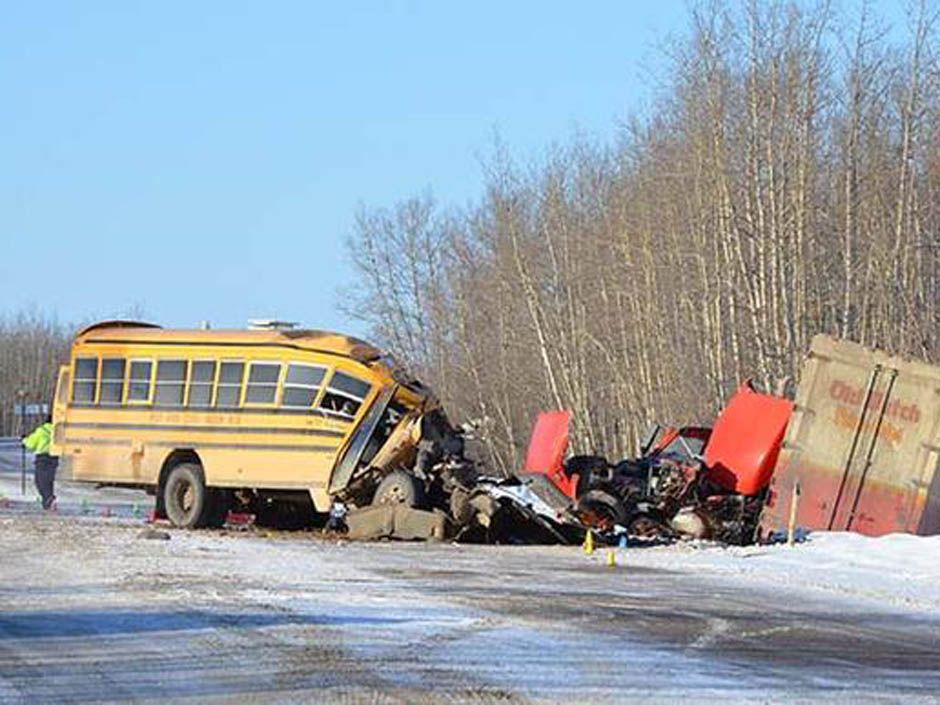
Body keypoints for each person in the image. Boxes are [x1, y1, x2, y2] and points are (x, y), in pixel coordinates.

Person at [22, 414, 58, 510]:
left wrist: (24, 440)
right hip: (54, 457)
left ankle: (48, 500)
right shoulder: (58, 431)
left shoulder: (41, 431)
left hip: (42, 457)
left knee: (40, 481)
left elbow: (31, 444)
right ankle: (49, 499)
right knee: (49, 480)